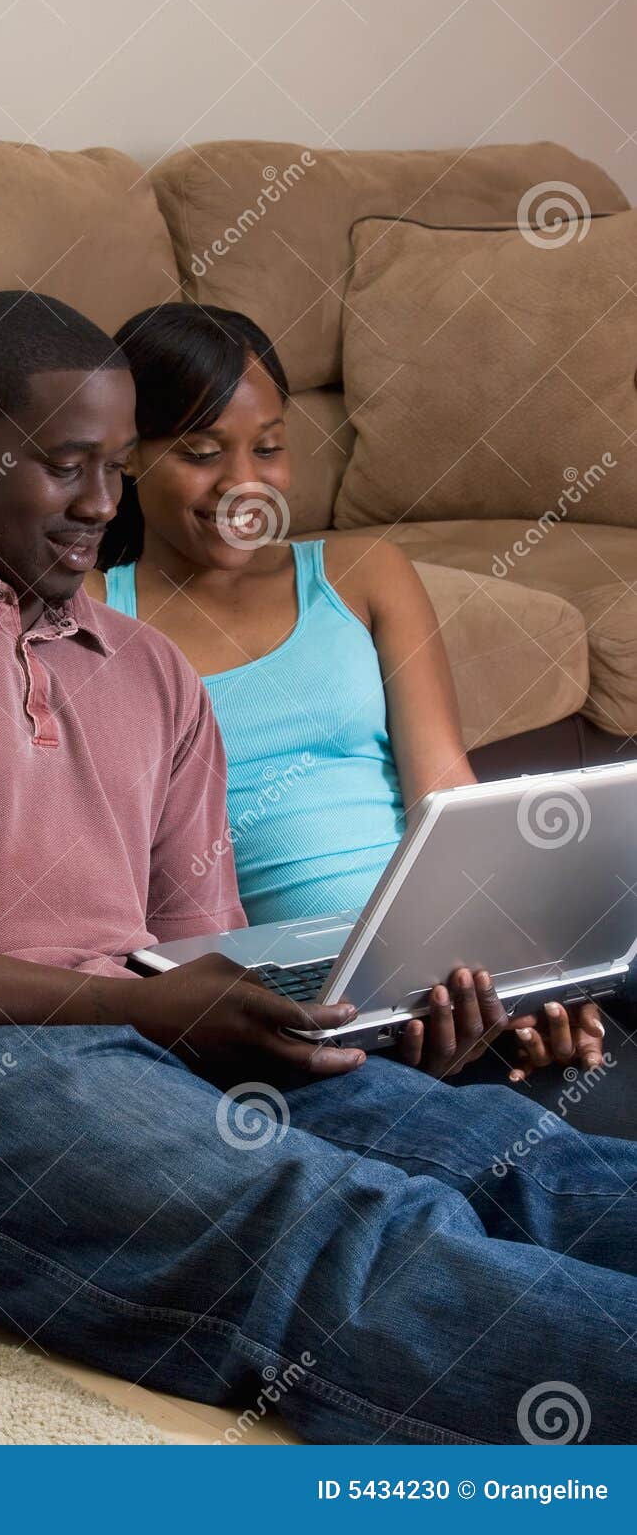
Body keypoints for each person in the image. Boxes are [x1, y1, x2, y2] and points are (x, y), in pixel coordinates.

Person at [0, 291, 637, 1445]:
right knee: (329, 1220)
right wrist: (133, 1005)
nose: (103, 504)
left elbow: (200, 960)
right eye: (66, 466)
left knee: (511, 1160)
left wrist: (367, 1030)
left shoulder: (149, 673)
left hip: (149, 1050)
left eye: (115, 467)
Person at [86, 303, 606, 1085]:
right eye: (200, 453)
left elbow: (446, 797)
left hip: (444, 953)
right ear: (127, 453)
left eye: (268, 449)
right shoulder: (93, 611)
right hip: (275, 1000)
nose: (243, 487)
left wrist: (524, 967)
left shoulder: (362, 574)